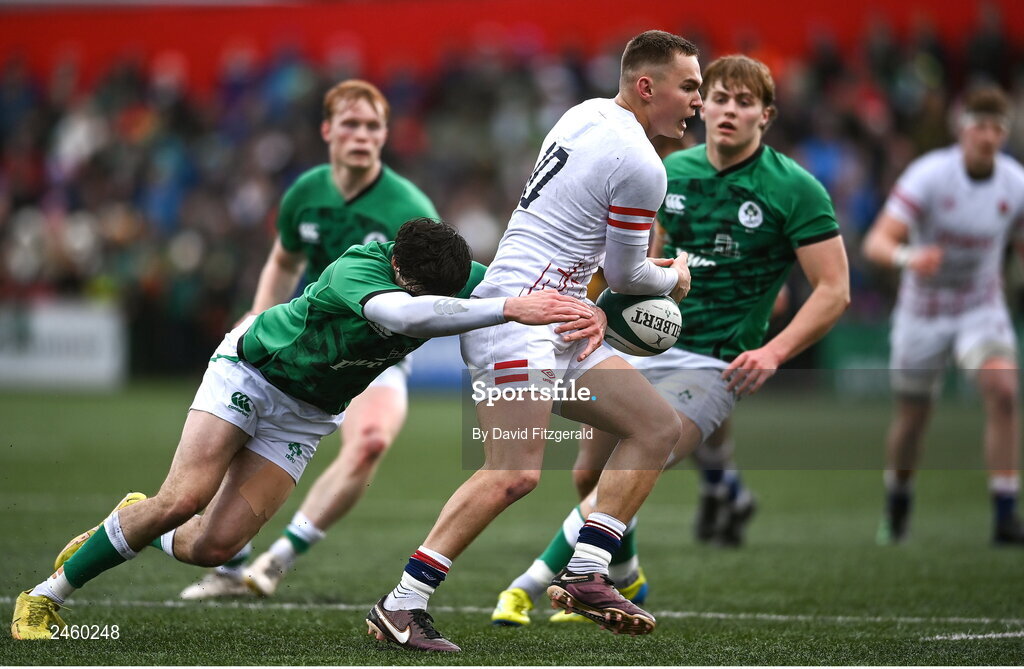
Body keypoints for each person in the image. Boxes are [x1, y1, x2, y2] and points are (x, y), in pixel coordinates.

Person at [11, 218, 597, 640]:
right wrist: (505, 310)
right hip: (251, 371)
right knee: (182, 497)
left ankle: (126, 527)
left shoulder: (452, 276)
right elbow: (405, 314)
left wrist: (597, 308)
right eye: (426, 291)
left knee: (217, 547)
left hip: (306, 413)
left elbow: (519, 293)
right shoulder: (357, 268)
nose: (439, 299)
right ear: (398, 266)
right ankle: (44, 598)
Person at [365, 30, 698, 653]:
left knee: (656, 427)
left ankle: (587, 572)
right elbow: (630, 275)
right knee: (513, 474)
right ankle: (401, 604)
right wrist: (675, 277)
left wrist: (596, 306)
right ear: (647, 87)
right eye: (689, 87)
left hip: (556, 318)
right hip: (517, 321)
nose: (697, 102)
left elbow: (578, 241)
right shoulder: (643, 164)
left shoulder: (585, 114)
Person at [490, 54, 850, 628]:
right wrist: (598, 312)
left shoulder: (796, 190)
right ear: (702, 106)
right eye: (719, 98)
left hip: (715, 360)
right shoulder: (667, 171)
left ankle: (533, 584)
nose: (728, 110)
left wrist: (775, 350)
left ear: (768, 114)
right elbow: (629, 263)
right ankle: (626, 573)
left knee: (646, 449)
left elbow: (834, 289)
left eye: (744, 102)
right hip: (639, 344)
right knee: (588, 476)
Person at [179, 79, 442, 600]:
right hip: (307, 346)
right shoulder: (306, 192)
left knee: (369, 444)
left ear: (386, 134)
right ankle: (231, 563)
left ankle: (277, 561)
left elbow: (431, 292)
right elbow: (284, 259)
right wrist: (257, 316)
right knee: (232, 448)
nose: (361, 135)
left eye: (373, 126)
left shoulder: (410, 207)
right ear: (328, 130)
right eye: (350, 123)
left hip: (373, 357)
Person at [862, 84, 1024, 546]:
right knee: (914, 418)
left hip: (980, 306)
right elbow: (877, 242)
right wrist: (910, 257)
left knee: (1004, 390)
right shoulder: (929, 175)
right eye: (980, 127)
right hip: (923, 311)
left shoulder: (1014, 183)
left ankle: (1006, 512)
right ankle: (898, 502)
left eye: (997, 128)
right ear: (962, 129)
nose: (988, 137)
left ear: (1005, 133)